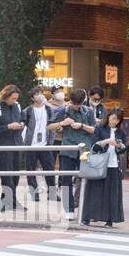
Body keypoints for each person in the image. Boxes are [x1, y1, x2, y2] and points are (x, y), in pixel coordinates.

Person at [51, 88, 97, 221]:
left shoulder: (88, 111)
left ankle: (85, 209)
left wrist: (81, 125)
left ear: (83, 102)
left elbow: (94, 129)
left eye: (78, 104)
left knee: (86, 180)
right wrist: (62, 123)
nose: (76, 106)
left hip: (84, 150)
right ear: (70, 101)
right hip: (67, 149)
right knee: (66, 180)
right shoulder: (64, 110)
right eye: (74, 103)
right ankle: (69, 210)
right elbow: (49, 126)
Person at [81, 107, 127, 228]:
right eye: (113, 118)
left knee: (111, 193)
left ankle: (109, 219)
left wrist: (120, 145)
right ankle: (87, 217)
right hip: (99, 164)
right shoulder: (100, 129)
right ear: (108, 117)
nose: (115, 121)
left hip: (114, 165)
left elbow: (123, 150)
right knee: (94, 191)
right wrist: (105, 141)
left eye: (118, 120)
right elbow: (93, 145)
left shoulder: (121, 132)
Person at [21, 86, 57, 205]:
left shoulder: (48, 109)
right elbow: (23, 125)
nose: (40, 95)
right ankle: (34, 193)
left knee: (50, 169)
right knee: (30, 170)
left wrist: (50, 142)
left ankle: (52, 193)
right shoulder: (28, 111)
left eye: (41, 93)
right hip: (31, 144)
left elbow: (52, 125)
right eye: (37, 94)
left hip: (45, 144)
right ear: (32, 98)